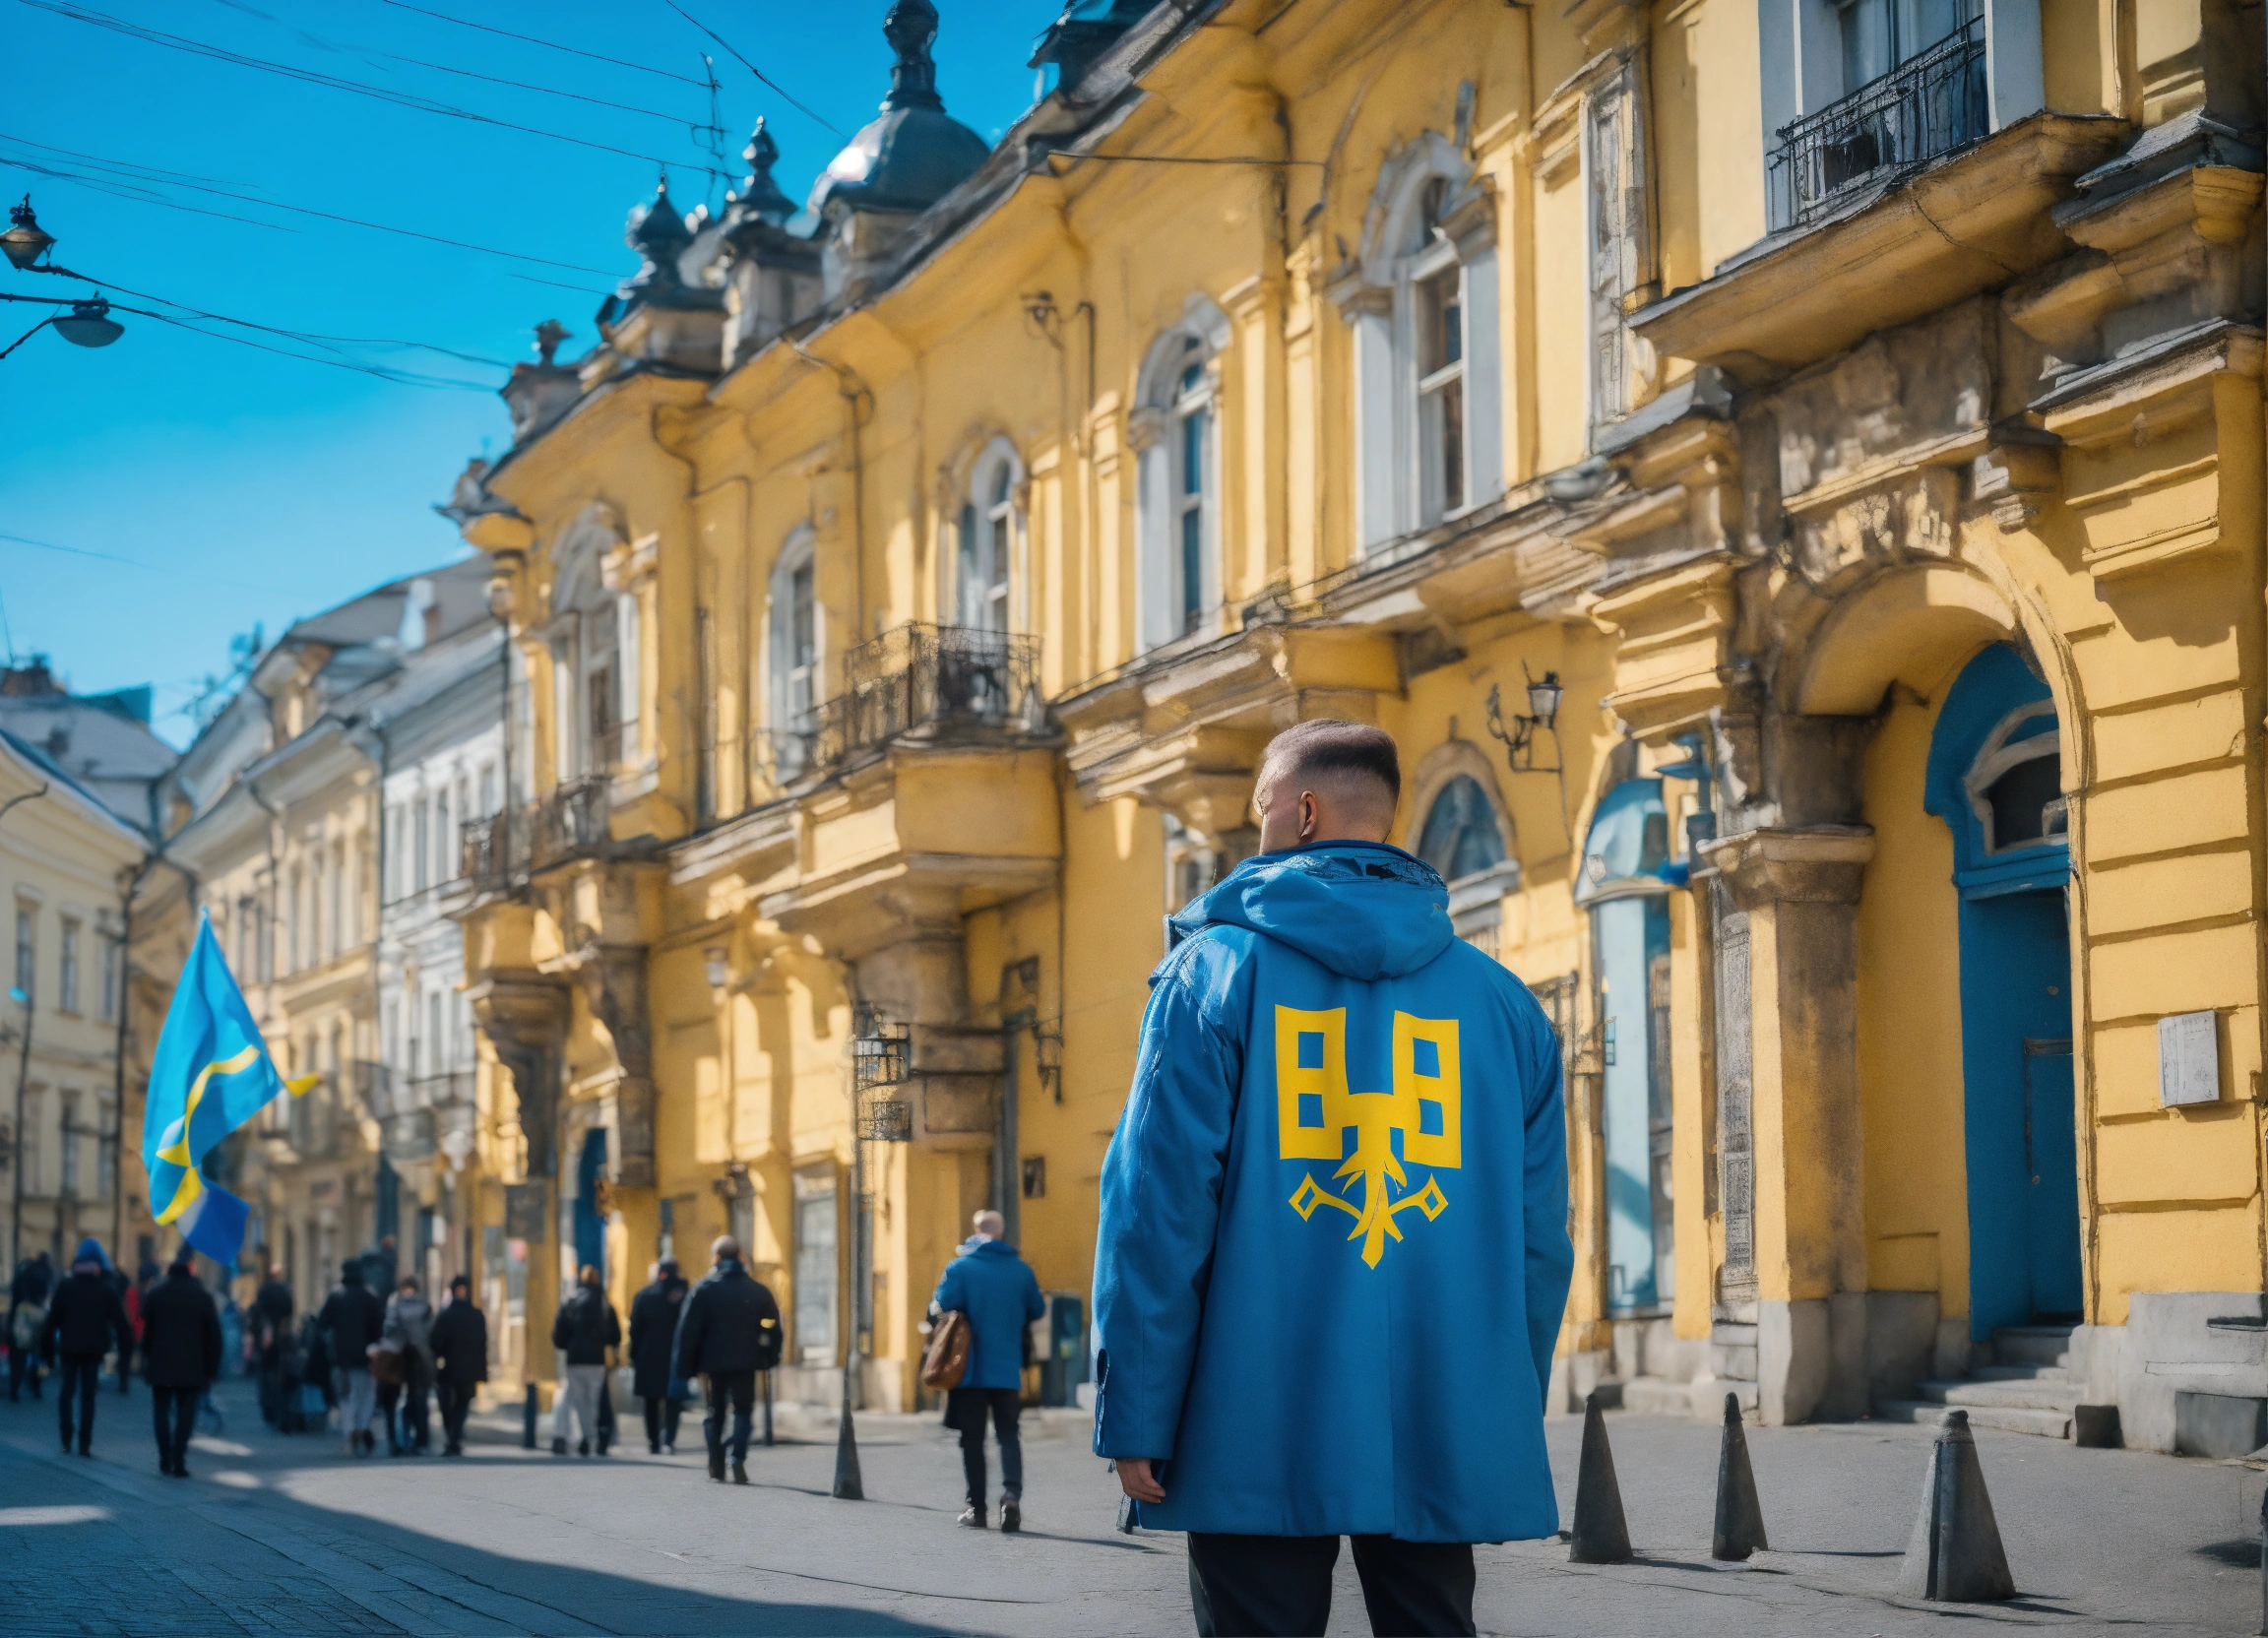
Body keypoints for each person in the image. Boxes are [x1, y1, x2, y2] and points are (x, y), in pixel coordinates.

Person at [1092, 721, 1574, 1638]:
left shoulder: (1212, 975)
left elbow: (1156, 1213)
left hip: (1252, 1403)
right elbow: (1539, 1235)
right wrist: (1493, 1396)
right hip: (1446, 1397)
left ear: (1303, 811)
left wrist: (1140, 1408)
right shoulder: (1506, 1005)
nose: (1255, 821)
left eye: (1261, 803)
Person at [934, 1209, 1043, 1533]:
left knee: (972, 1439)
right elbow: (1036, 1308)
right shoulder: (1021, 1270)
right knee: (1009, 1434)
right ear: (1002, 1231)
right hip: (1007, 1368)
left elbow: (940, 1304)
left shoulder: (959, 1268)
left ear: (975, 1230)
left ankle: (977, 1509)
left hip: (967, 1369)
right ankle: (1011, 1494)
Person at [670, 1235, 781, 1484]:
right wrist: (770, 1357)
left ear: (716, 1258)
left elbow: (688, 1331)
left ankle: (715, 1460)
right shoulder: (758, 1291)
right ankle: (737, 1457)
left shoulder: (704, 1290)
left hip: (713, 1365)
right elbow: (773, 1328)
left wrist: (684, 1366)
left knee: (715, 1412)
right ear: (740, 1257)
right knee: (743, 1410)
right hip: (746, 1362)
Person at [41, 1238, 132, 1457]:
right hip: (94, 1351)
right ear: (98, 1266)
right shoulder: (106, 1291)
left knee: (67, 1392)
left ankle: (66, 1437)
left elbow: (51, 1322)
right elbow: (122, 1326)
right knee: (88, 1397)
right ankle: (84, 1443)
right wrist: (125, 1355)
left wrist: (48, 1355)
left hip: (69, 1349)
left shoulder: (65, 1288)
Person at [140, 1255, 220, 1478]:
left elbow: (147, 1332)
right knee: (187, 1411)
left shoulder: (157, 1294)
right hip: (192, 1366)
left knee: (161, 1410)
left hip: (161, 1363)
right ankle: (179, 1459)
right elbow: (214, 1336)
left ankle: (164, 1457)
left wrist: (145, 1356)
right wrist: (211, 1369)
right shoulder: (202, 1297)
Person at [316, 1260, 385, 1456]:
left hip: (342, 1358)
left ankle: (349, 1433)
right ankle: (362, 1429)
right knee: (366, 1396)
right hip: (366, 1358)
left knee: (345, 1397)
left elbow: (322, 1322)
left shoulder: (337, 1295)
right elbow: (379, 1328)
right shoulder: (370, 1296)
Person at [549, 1265, 619, 1457]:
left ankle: (586, 1439)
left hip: (575, 1361)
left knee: (579, 1403)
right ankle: (592, 1438)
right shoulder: (604, 1304)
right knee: (594, 1402)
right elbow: (615, 1335)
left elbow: (557, 1335)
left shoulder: (570, 1302)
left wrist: (570, 1345)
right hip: (596, 1361)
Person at [628, 1257, 690, 1455]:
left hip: (649, 1356)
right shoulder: (685, 1295)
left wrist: (633, 1354)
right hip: (675, 1355)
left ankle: (653, 1441)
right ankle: (669, 1439)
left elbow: (635, 1328)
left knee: (651, 1401)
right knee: (674, 1400)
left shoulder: (645, 1295)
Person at [428, 1275, 487, 1457]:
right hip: (469, 1369)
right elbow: (482, 1344)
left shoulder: (446, 1315)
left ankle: (452, 1437)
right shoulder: (476, 1315)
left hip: (449, 1367)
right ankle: (454, 1438)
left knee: (446, 1403)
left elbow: (434, 1342)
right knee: (462, 1403)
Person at [382, 1276, 435, 1456]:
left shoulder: (393, 1304)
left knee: (395, 1403)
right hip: (417, 1359)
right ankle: (420, 1441)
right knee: (418, 1402)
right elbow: (430, 1332)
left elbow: (387, 1330)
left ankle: (397, 1441)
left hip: (397, 1359)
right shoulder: (424, 1306)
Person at [8, 1252, 53, 1402]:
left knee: (19, 1355)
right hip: (39, 1316)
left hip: (21, 1316)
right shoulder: (46, 1273)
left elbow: (15, 1293)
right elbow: (47, 1295)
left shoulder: (23, 1271)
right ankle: (37, 1387)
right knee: (39, 1356)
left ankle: (15, 1388)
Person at [253, 1266, 293, 1425]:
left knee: (265, 1375)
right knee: (280, 1375)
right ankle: (281, 1411)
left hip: (265, 1339)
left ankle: (268, 1409)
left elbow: (257, 1314)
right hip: (282, 1339)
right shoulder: (285, 1292)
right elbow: (290, 1312)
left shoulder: (263, 1292)